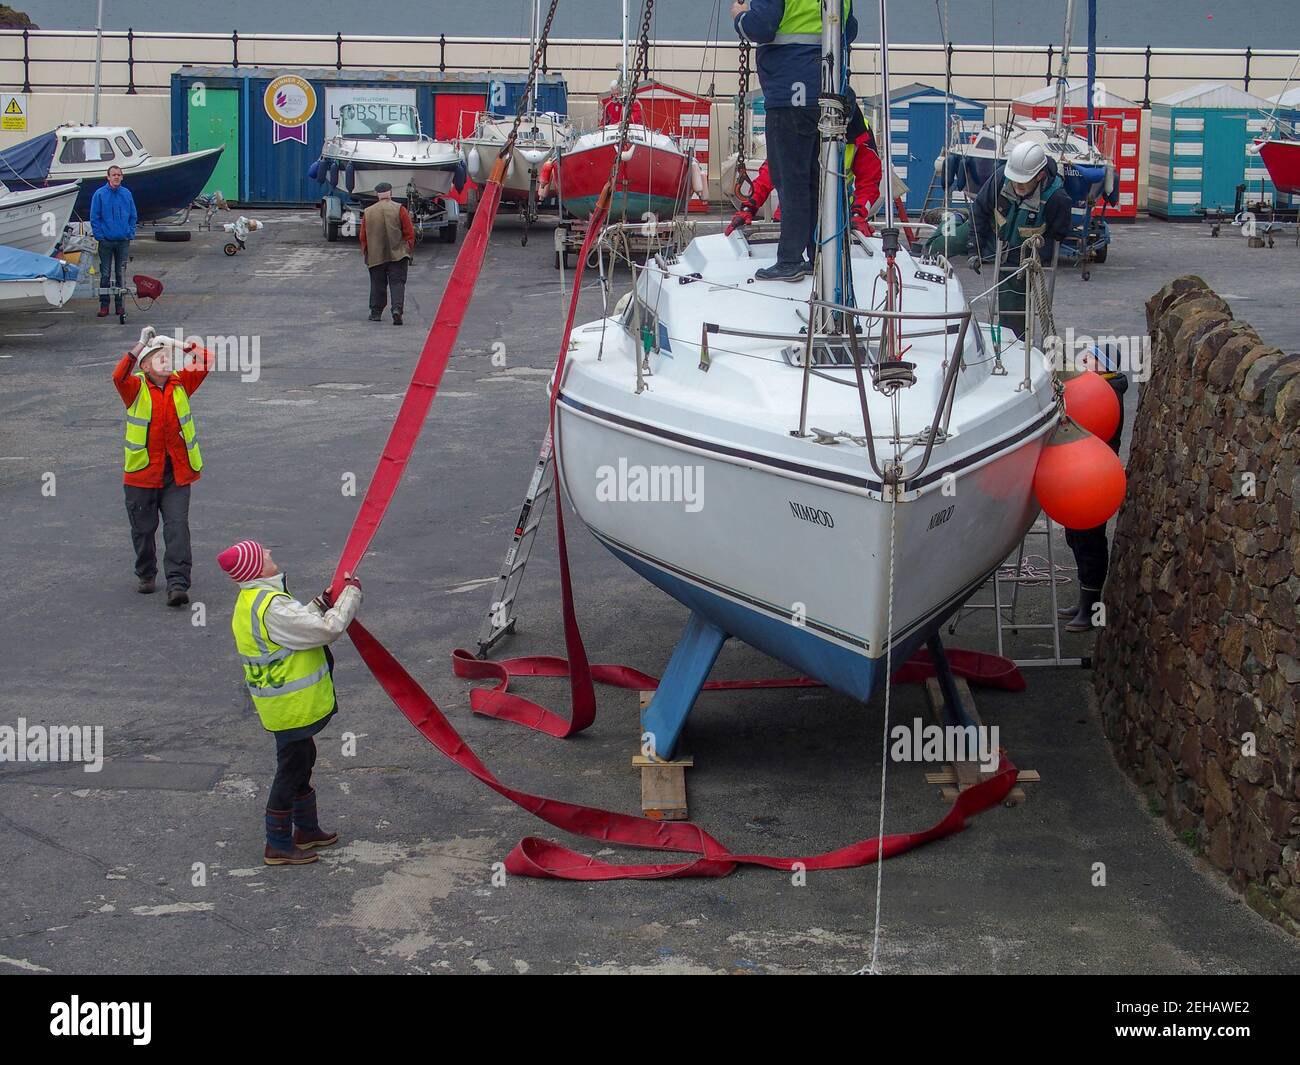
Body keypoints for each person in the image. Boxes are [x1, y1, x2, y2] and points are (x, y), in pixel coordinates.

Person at [218, 540, 362, 866]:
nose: (269, 552)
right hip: (291, 705)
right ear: (255, 568)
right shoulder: (270, 605)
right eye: (263, 553)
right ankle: (278, 843)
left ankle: (307, 830)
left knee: (303, 758)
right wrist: (350, 595)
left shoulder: (255, 600)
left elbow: (295, 626)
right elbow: (327, 629)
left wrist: (322, 602)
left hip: (280, 705)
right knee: (291, 768)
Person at [733, 0, 857, 282]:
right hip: (828, 92)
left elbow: (761, 26)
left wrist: (740, 17)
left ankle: (790, 259)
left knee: (791, 180)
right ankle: (819, 254)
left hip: (790, 93)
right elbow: (849, 28)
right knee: (818, 179)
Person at [112, 330, 213, 607]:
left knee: (177, 527)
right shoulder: (134, 388)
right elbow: (118, 375)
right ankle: (146, 573)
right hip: (141, 476)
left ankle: (178, 583)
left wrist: (176, 343)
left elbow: (206, 359)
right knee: (143, 530)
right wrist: (142, 343)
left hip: (177, 474)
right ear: (145, 366)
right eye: (160, 358)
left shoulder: (181, 384)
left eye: (168, 357)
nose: (167, 361)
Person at [728, 102, 881, 237]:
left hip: (836, 218)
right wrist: (749, 205)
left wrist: (859, 213)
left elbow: (869, 180)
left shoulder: (859, 131)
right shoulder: (799, 125)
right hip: (792, 214)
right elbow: (773, 170)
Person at [969, 141, 1073, 337]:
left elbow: (1060, 232)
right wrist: (973, 249)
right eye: (1014, 180)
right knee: (950, 237)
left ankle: (1013, 347)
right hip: (994, 235)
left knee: (1012, 310)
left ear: (1040, 175)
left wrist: (1040, 255)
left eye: (1023, 181)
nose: (1017, 185)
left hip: (1023, 255)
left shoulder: (1056, 198)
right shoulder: (1000, 178)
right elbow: (979, 211)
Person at [1059, 346, 1129, 633]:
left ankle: (1091, 609)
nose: (1081, 362)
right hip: (1080, 474)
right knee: (1075, 537)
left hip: (1095, 477)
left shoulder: (1107, 393)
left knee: (1090, 540)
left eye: (1088, 359)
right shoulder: (1094, 389)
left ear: (1103, 365)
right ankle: (1083, 600)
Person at [359, 181, 415, 326]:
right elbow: (409, 232)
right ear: (390, 193)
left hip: (375, 255)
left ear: (377, 194)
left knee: (377, 284)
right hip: (398, 254)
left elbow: (363, 236)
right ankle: (396, 310)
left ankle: (376, 313)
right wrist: (408, 249)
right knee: (397, 283)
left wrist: (366, 252)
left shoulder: (368, 212)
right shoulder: (399, 209)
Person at [90, 164, 137, 319]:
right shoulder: (100, 194)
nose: (116, 177)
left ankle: (120, 306)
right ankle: (104, 306)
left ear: (122, 177)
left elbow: (133, 215)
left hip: (123, 240)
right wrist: (100, 236)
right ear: (108, 177)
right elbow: (94, 217)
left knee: (120, 274)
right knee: (105, 273)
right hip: (106, 241)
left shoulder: (127, 194)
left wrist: (129, 232)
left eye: (119, 174)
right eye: (114, 175)